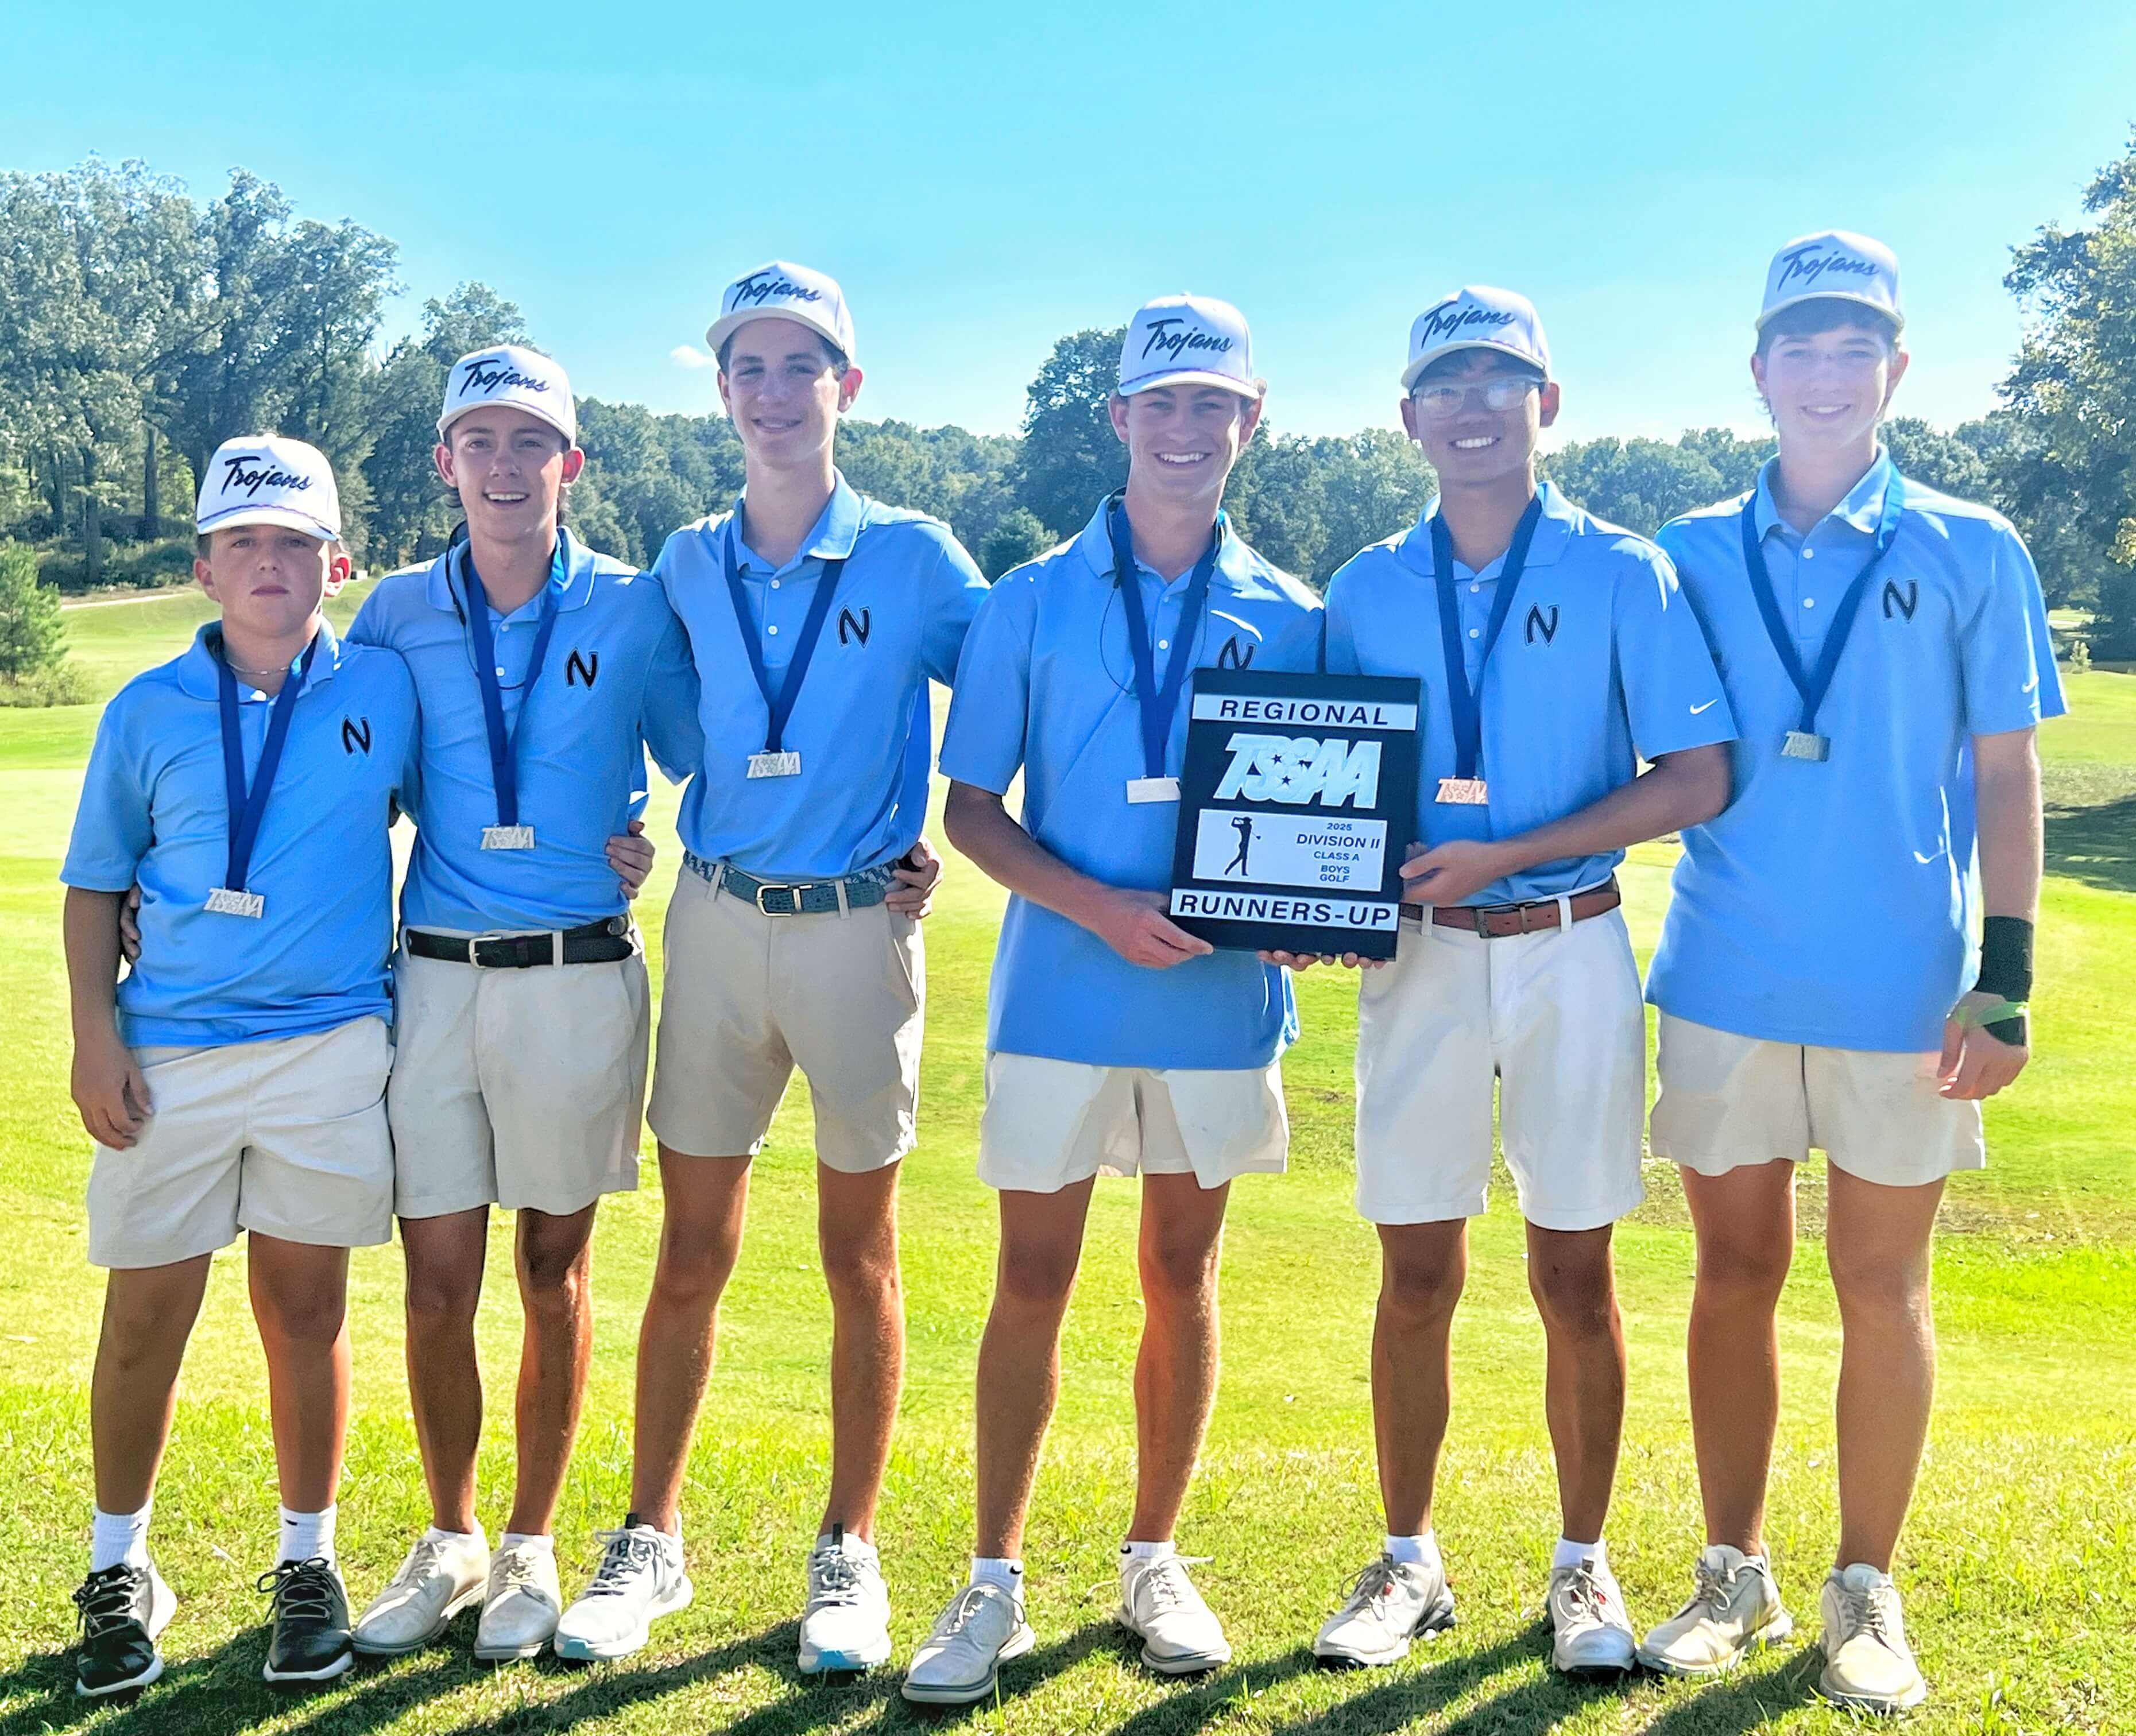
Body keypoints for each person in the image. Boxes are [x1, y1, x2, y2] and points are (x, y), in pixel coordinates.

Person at [1636, 232, 2064, 1715]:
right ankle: (1730, 1570)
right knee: (1731, 1276)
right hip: (1721, 980)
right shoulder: (1681, 551)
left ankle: (1864, 1590)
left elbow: (2009, 776)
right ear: (1757, 371)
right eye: (1799, 348)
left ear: (1898, 368)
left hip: (1904, 991)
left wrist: (2003, 978)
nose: (1825, 374)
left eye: (1853, 346)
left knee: (1883, 1286)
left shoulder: (1971, 543)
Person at [551, 263, 978, 1674]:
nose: (777, 392)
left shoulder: (917, 556)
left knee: (861, 1256)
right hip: (722, 922)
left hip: (862, 927)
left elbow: (1029, 688)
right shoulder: (683, 561)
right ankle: (651, 1539)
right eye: (752, 367)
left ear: (847, 388)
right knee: (691, 1250)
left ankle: (847, 1554)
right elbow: (630, 715)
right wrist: (602, 836)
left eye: (805, 366)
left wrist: (952, 839)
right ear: (721, 389)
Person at [1306, 288, 1733, 1676]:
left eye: (1504, 376)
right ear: (1409, 418)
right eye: (1449, 380)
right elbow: (1327, 784)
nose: (1476, 402)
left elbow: (1695, 777)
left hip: (1571, 947)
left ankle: (1583, 1567)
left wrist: (1513, 848)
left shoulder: (1625, 570)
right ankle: (1410, 1562)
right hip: (1422, 962)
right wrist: (1318, 896)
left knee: (1575, 1269)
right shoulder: (1365, 586)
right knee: (1415, 1269)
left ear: (1549, 403)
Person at [901, 294, 1321, 1707]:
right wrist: (1099, 907)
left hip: (1217, 1002)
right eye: (1164, 404)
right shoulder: (1030, 599)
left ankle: (1155, 1557)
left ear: (1249, 422)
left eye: (1216, 405)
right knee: (1032, 1282)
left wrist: (1315, 917)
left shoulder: (1294, 615)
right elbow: (972, 812)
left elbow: (1324, 823)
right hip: (1059, 998)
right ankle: (997, 1580)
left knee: (1182, 1276)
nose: (1189, 429)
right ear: (1119, 421)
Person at [345, 347, 699, 1664]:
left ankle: (531, 1550)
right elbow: (337, 790)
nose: (505, 465)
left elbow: (707, 758)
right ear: (445, 462)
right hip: (434, 977)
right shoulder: (390, 613)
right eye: (479, 441)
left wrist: (890, 843)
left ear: (572, 464)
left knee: (553, 1271)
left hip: (577, 973)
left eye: (530, 442)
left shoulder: (631, 606)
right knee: (437, 1281)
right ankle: (448, 1538)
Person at [61, 438, 419, 1694]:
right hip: (171, 1053)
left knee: (304, 1313)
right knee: (146, 1313)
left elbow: (486, 793)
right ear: (205, 565)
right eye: (245, 543)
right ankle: (119, 1565)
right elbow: (95, 882)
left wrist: (619, 847)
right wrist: (93, 1036)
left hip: (330, 1046)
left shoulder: (387, 687)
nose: (272, 564)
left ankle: (307, 1563)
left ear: (341, 559)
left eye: (296, 543)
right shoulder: (145, 707)